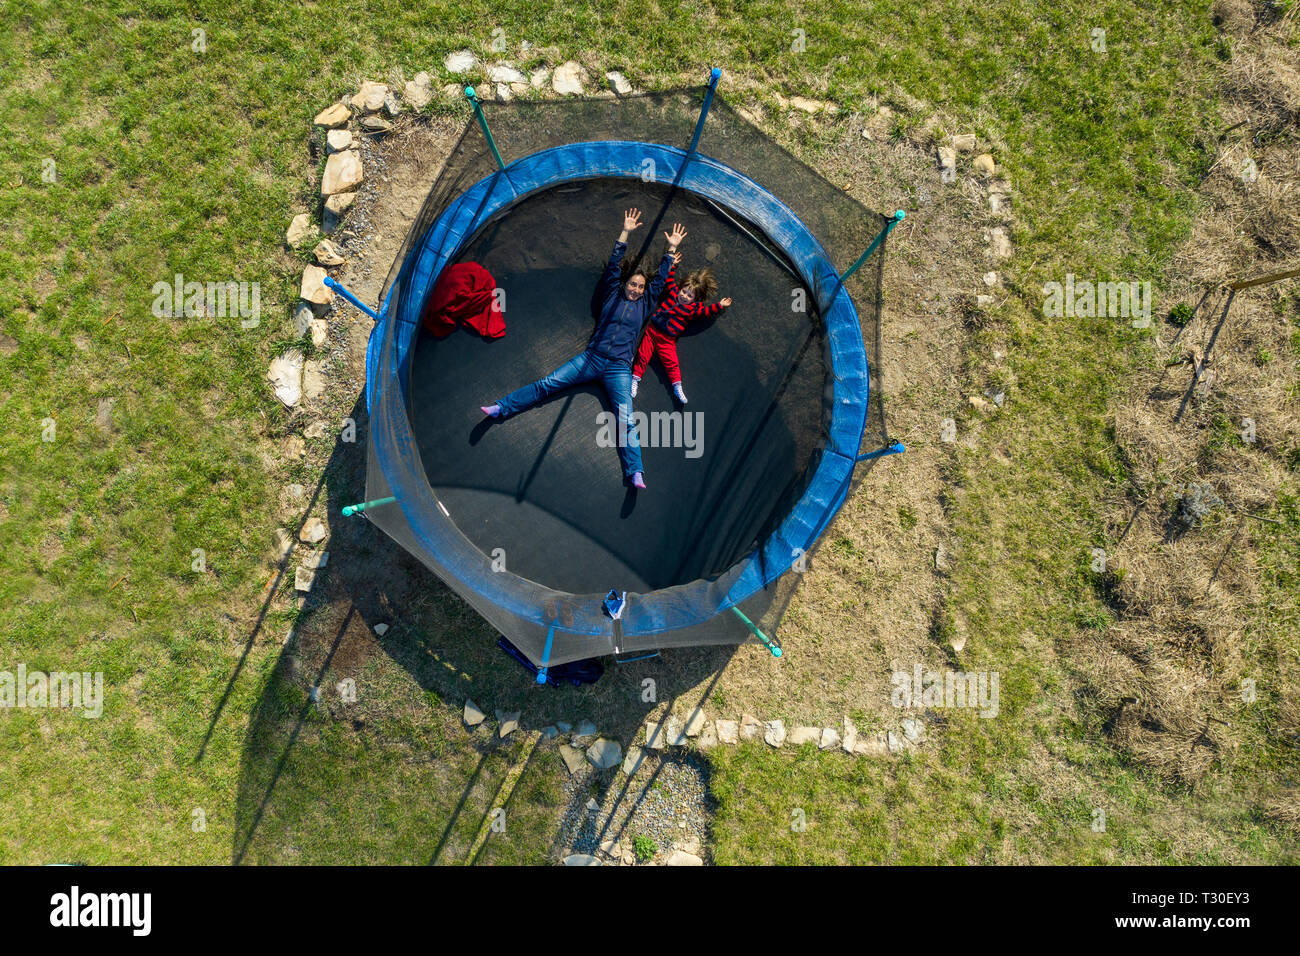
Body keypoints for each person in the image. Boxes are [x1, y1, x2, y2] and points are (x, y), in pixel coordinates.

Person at [480, 208, 688, 490]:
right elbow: (614, 264)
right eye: (633, 284)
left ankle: (635, 471)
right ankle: (501, 408)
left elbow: (661, 281)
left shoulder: (645, 304)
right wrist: (625, 232)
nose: (636, 289)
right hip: (591, 358)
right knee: (547, 383)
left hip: (618, 368)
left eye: (640, 287)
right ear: (625, 283)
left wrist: (671, 249)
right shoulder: (612, 293)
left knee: (625, 419)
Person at [631, 258, 732, 404]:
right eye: (684, 292)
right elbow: (669, 280)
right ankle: (635, 379)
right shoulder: (673, 293)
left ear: (695, 299)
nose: (684, 296)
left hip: (667, 340)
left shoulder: (693, 310)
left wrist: (719, 305)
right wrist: (673, 266)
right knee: (642, 355)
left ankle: (677, 386)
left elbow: (706, 311)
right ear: (680, 289)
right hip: (652, 332)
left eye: (689, 295)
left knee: (672, 362)